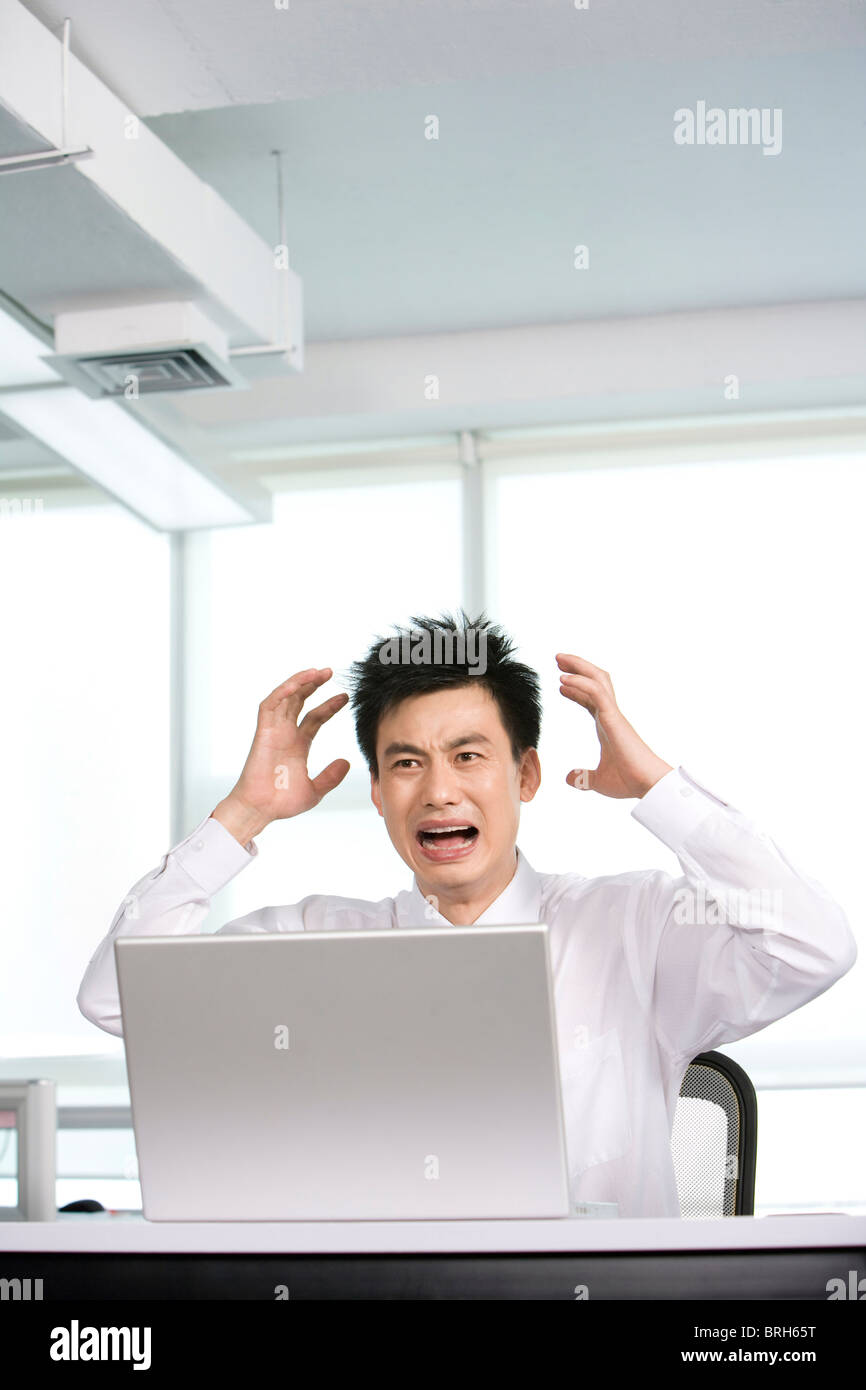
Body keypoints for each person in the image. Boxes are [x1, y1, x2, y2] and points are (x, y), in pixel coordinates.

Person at [76, 611, 857, 1217]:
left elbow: (813, 945)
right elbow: (117, 1000)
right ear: (378, 795)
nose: (439, 790)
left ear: (526, 775)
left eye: (468, 755)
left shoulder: (632, 924)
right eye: (406, 763)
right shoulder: (312, 941)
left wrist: (660, 788)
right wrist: (241, 815)